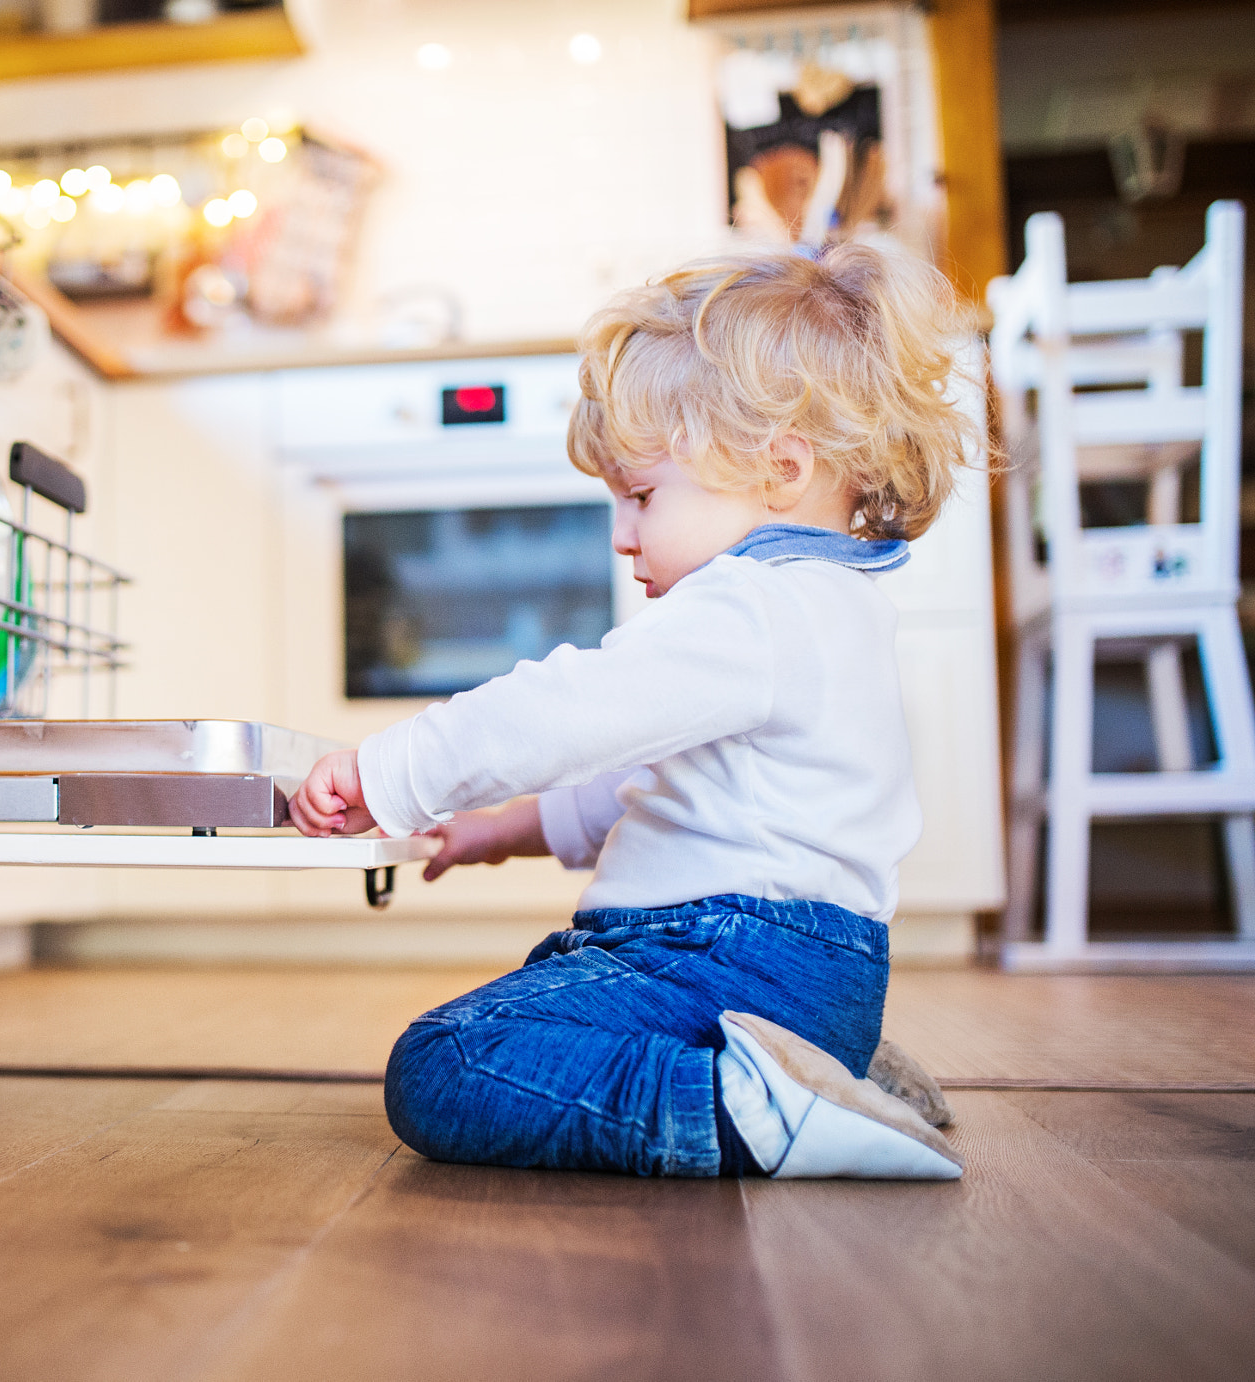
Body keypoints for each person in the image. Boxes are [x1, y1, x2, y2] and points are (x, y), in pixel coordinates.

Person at [289, 242, 976, 1180]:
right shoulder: (816, 603)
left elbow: (569, 713)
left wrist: (391, 773)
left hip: (726, 958)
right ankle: (817, 1066)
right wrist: (497, 831)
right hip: (798, 969)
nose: (620, 536)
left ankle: (755, 1101)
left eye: (642, 496)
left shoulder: (754, 605)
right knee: (535, 1008)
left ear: (780, 469)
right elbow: (658, 788)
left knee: (445, 1062)